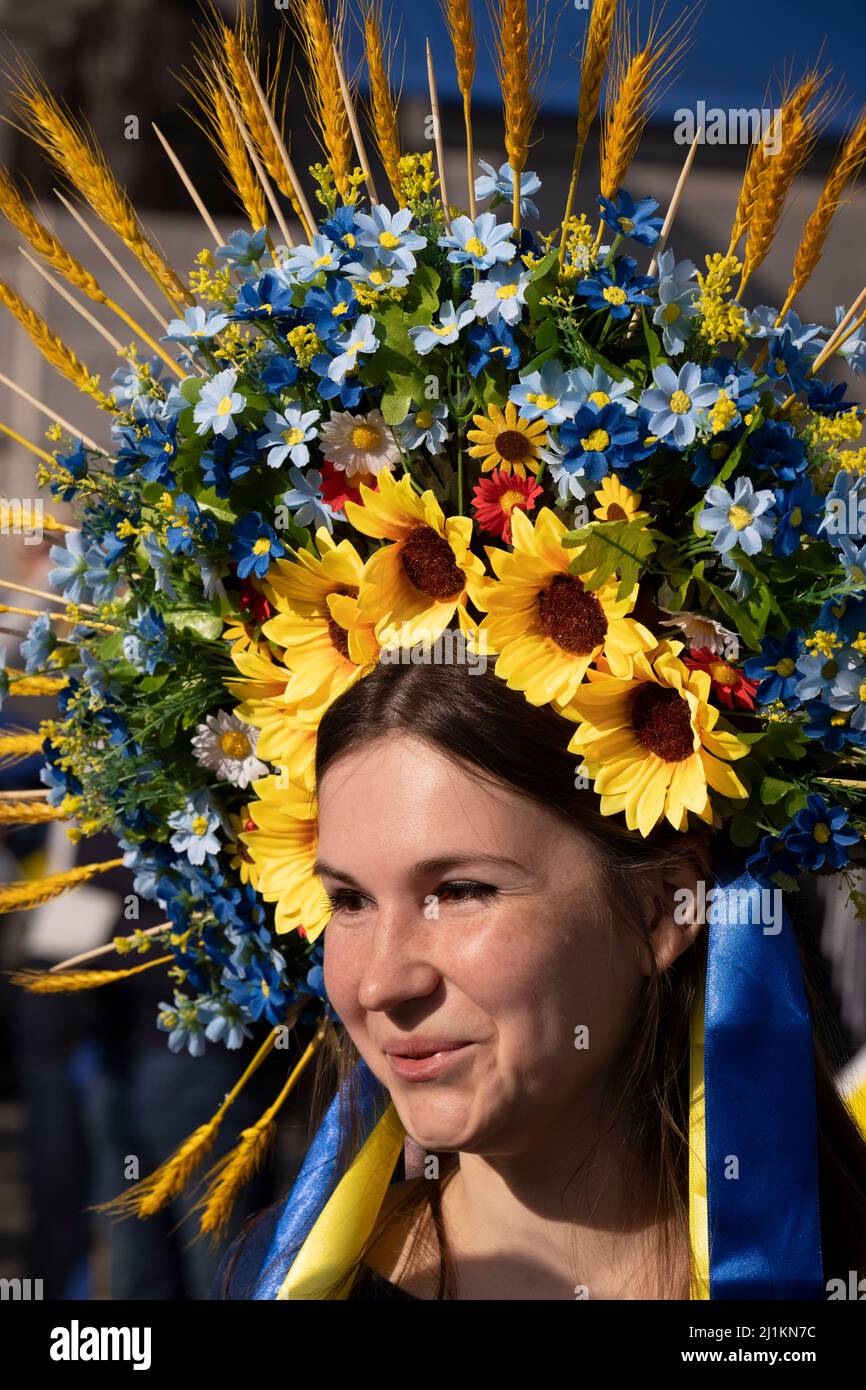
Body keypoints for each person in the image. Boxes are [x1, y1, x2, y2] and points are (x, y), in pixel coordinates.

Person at [215, 659, 866, 1300]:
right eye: (350, 901)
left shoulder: (835, 1267)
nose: (381, 984)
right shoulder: (281, 1277)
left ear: (663, 909)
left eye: (462, 890)